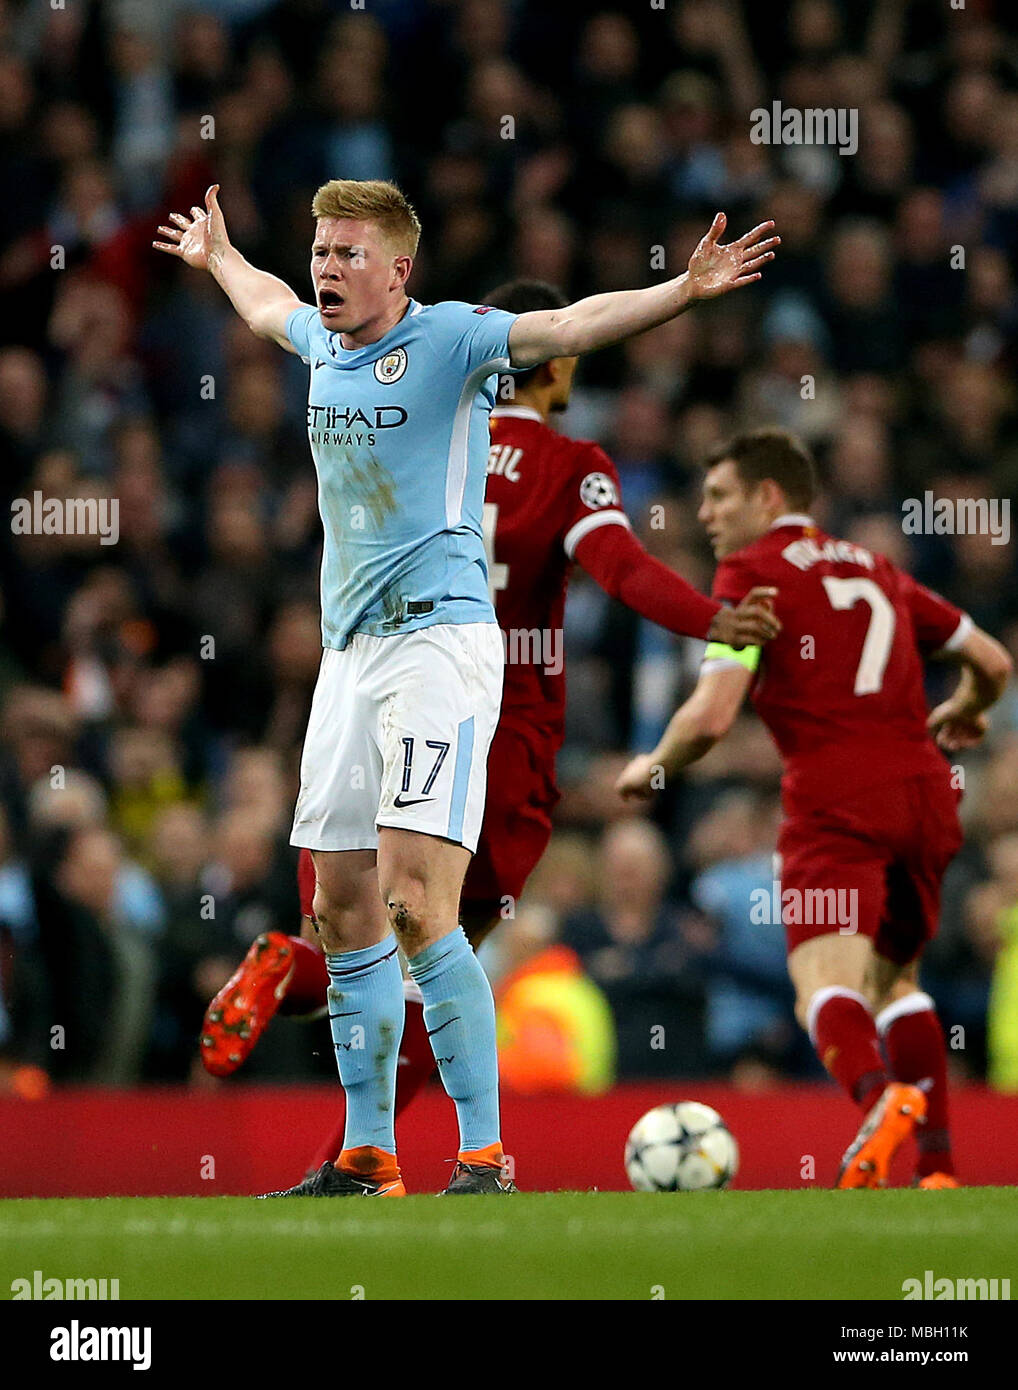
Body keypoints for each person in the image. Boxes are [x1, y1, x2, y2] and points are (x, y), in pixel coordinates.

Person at [155, 181, 779, 1196]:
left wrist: (682, 292)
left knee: (414, 901)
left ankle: (485, 1157)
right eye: (319, 251)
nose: (325, 269)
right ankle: (366, 1154)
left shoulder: (452, 340)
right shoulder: (318, 343)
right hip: (348, 656)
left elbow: (566, 323)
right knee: (344, 909)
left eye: (347, 254)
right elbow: (265, 303)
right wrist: (221, 255)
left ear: (399, 268)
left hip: (437, 648)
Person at [617, 428, 1013, 1188]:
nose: (704, 513)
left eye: (721, 495)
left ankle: (878, 1097)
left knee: (822, 987)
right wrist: (965, 705)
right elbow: (993, 662)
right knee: (896, 984)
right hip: (926, 795)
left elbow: (712, 713)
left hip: (836, 800)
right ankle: (937, 1168)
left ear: (769, 497)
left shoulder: (751, 572)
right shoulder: (879, 569)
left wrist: (653, 765)